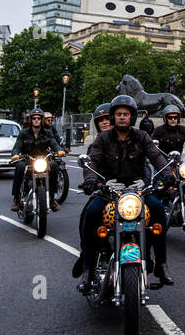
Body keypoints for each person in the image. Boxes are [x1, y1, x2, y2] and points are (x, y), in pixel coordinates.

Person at [74, 94, 173, 290]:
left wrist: (168, 174)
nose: (122, 117)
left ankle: (161, 265)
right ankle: (88, 269)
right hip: (109, 191)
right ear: (114, 116)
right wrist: (91, 180)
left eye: (126, 114)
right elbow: (93, 160)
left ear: (132, 117)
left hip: (138, 192)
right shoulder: (103, 138)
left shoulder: (142, 136)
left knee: (158, 210)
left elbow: (156, 156)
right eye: (118, 114)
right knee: (91, 214)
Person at [10, 108, 61, 212]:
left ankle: (52, 198)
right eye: (34, 118)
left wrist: (59, 150)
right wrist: (15, 155)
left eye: (39, 118)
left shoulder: (47, 133)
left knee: (55, 165)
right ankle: (16, 198)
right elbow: (17, 147)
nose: (36, 120)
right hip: (28, 160)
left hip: (43, 160)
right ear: (31, 120)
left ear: (42, 120)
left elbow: (54, 143)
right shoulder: (23, 133)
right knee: (19, 167)